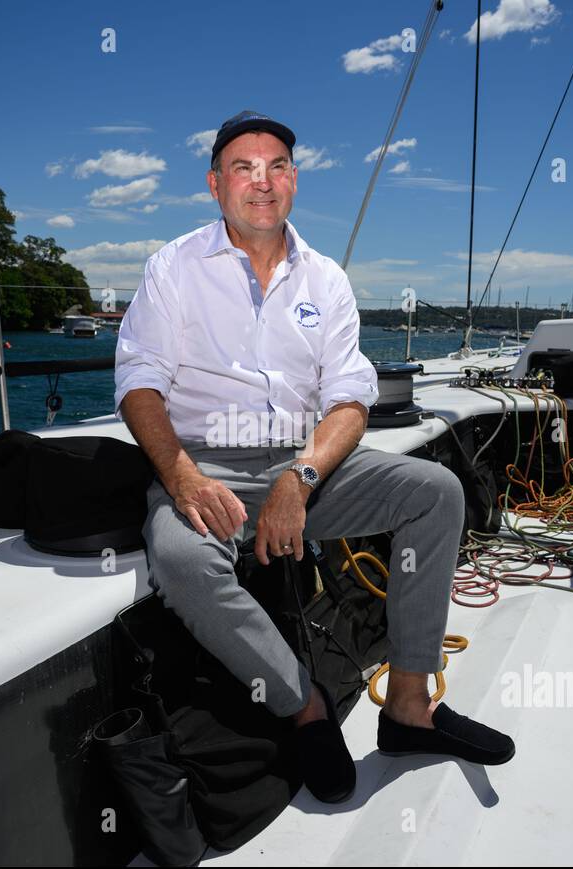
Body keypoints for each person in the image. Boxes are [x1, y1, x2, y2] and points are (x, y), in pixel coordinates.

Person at [114, 110, 514, 804]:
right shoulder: (173, 267)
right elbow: (139, 382)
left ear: (293, 182)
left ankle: (411, 709)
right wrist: (179, 477)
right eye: (244, 168)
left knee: (437, 492)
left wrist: (300, 479)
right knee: (181, 561)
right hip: (205, 460)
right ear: (216, 185)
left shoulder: (326, 280)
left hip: (304, 462)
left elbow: (349, 401)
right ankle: (303, 708)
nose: (261, 181)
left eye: (276, 167)